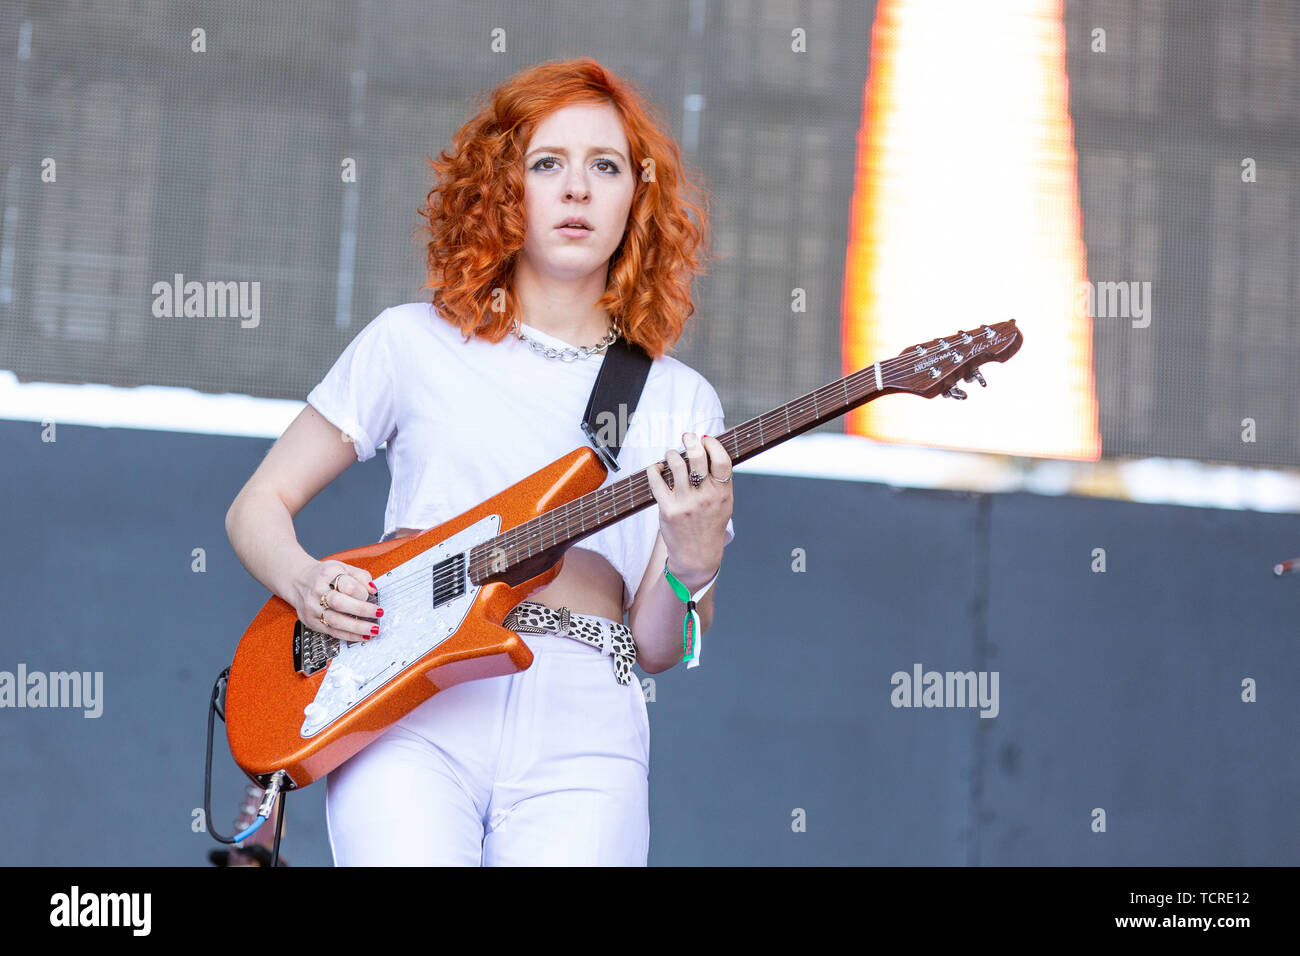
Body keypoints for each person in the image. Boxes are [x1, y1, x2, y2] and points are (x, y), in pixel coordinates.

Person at [225, 57, 735, 866]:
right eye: (547, 164)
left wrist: (696, 569)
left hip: (584, 727)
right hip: (411, 702)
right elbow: (256, 507)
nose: (576, 189)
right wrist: (301, 579)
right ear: (504, 188)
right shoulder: (410, 342)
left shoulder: (681, 401)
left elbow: (659, 647)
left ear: (636, 196)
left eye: (604, 166)